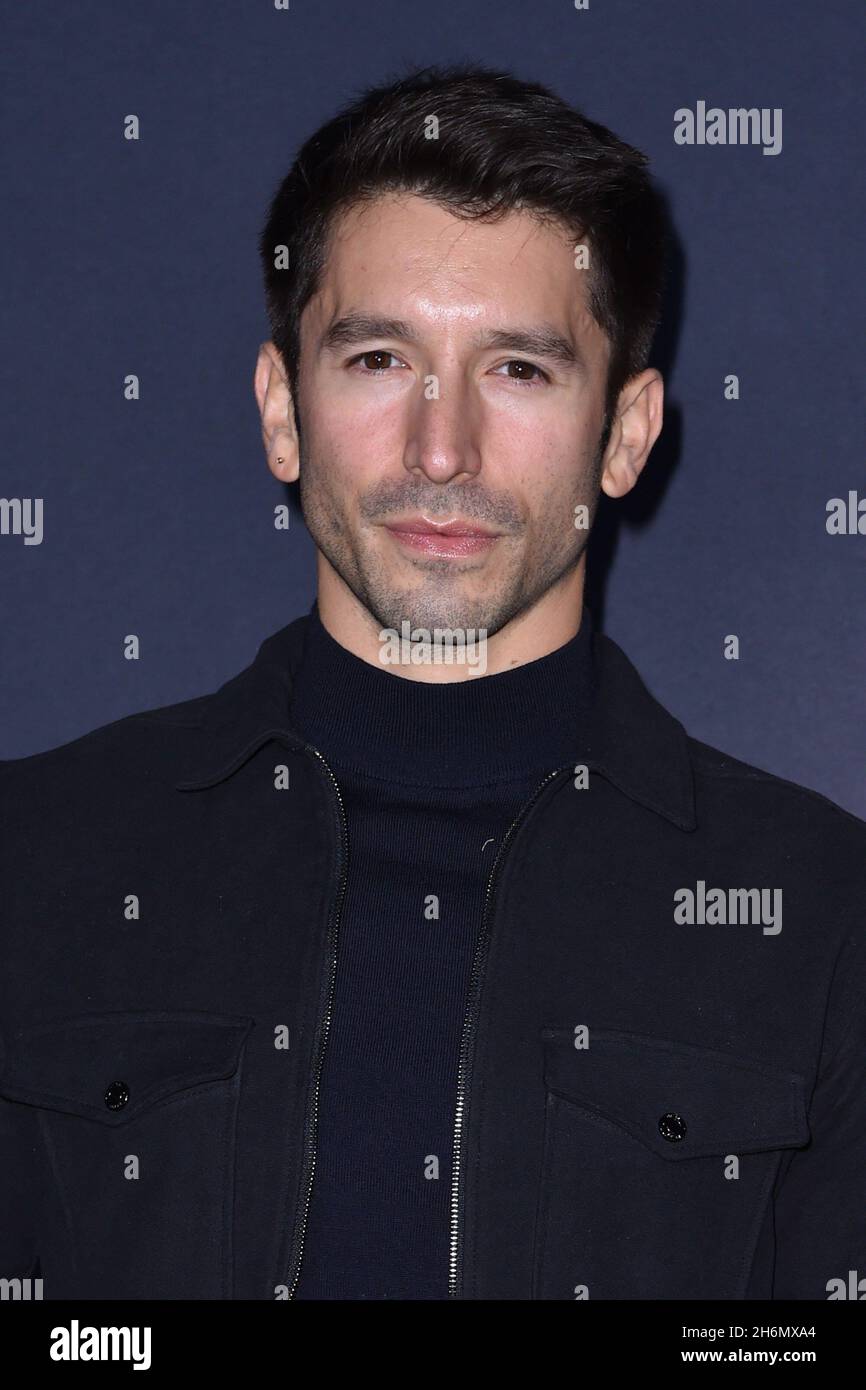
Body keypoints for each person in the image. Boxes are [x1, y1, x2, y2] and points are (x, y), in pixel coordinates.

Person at [1, 63, 864, 1302]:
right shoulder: (35, 864)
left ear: (622, 435)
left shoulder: (820, 920)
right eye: (374, 360)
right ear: (280, 411)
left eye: (516, 368)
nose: (440, 447)